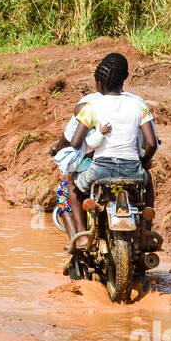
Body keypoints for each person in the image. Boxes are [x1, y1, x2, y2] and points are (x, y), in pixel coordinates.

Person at [63, 53, 158, 258]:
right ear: (125, 79)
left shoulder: (92, 107)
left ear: (98, 84)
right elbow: (151, 143)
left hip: (100, 170)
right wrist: (142, 161)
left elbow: (75, 142)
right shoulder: (138, 105)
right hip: (133, 170)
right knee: (148, 182)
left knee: (71, 186)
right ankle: (147, 232)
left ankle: (81, 236)